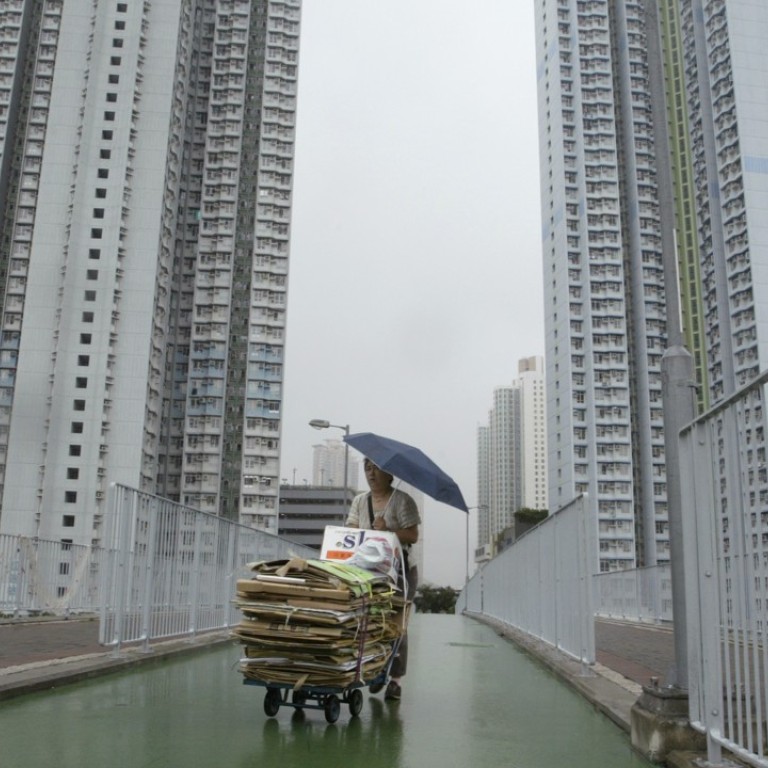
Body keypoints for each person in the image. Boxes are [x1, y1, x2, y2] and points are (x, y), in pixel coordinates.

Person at [346, 457, 420, 701]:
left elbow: (412, 535)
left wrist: (387, 530)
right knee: (368, 618)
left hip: (401, 572)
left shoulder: (402, 501)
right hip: (369, 570)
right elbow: (350, 530)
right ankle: (374, 667)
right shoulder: (360, 501)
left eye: (376, 468)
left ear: (390, 474)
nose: (371, 473)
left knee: (397, 623)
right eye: (367, 468)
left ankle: (396, 680)